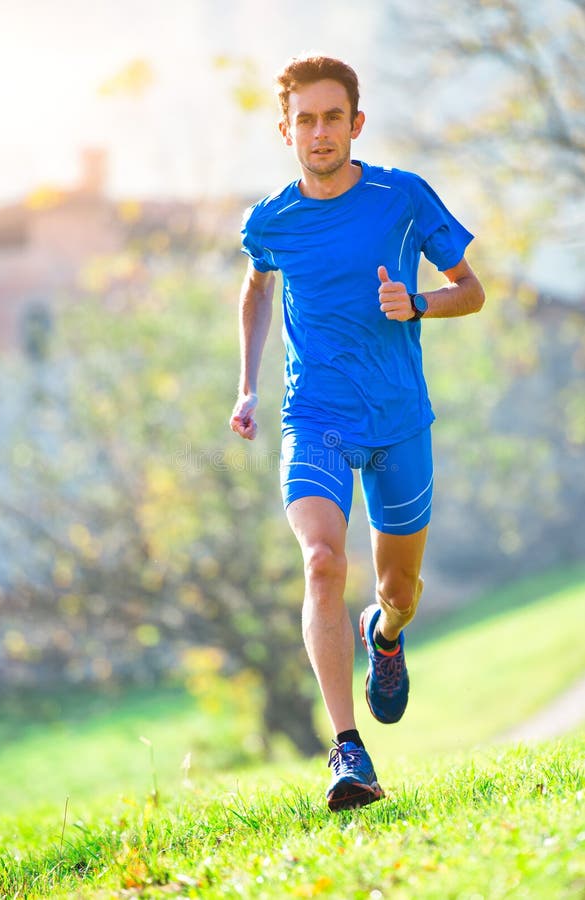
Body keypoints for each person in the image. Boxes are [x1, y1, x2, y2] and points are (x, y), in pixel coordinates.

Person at [229, 54, 485, 812]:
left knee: (398, 590)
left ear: (355, 124)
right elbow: (256, 286)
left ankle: (386, 634)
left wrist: (418, 303)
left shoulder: (400, 198)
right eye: (304, 120)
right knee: (320, 562)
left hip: (399, 420)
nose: (319, 133)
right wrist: (247, 383)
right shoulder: (270, 220)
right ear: (285, 130)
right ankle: (347, 751)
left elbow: (471, 291)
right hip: (314, 418)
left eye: (332, 117)